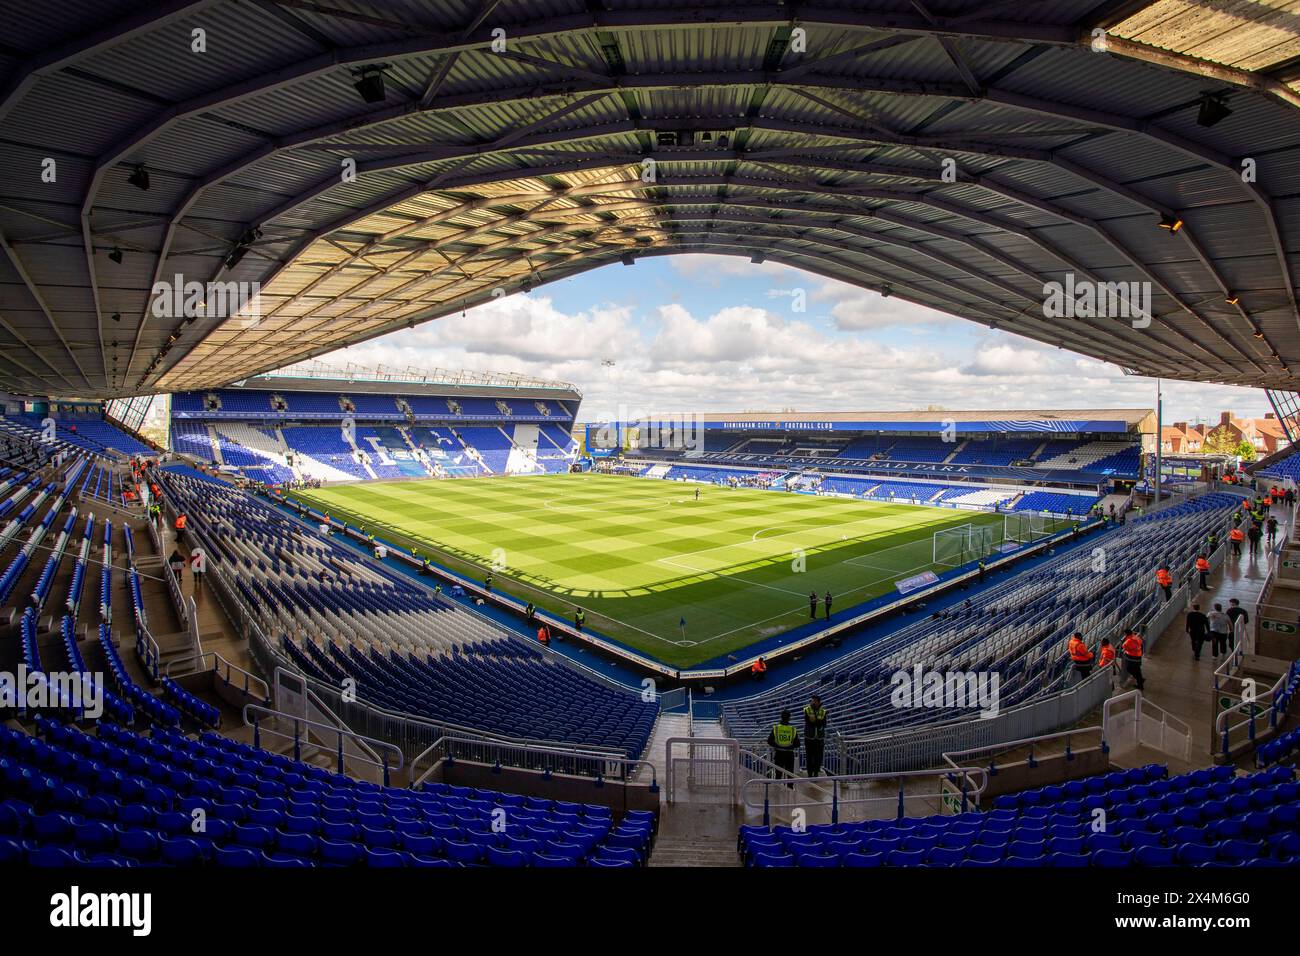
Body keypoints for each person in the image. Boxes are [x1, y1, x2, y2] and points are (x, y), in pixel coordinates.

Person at [767, 710, 799, 785]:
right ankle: (790, 792)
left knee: (778, 775)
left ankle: (777, 793)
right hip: (789, 755)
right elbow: (797, 744)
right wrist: (789, 747)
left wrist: (777, 745)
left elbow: (769, 741)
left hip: (779, 754)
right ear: (789, 718)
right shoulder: (792, 729)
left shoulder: (776, 728)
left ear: (781, 717)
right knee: (790, 775)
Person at [803, 695, 828, 778]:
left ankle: (816, 773)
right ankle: (810, 774)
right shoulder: (807, 710)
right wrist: (818, 722)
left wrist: (816, 722)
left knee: (818, 757)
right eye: (812, 701)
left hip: (819, 738)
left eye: (814, 701)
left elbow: (824, 724)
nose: (812, 702)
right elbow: (809, 723)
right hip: (809, 737)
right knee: (809, 756)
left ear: (818, 702)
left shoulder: (823, 711)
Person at [1120, 627, 1145, 691]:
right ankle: (1140, 681)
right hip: (1139, 656)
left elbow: (1124, 646)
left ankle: (1140, 682)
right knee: (1138, 670)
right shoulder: (1136, 637)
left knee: (1130, 669)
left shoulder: (1129, 641)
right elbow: (1141, 642)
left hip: (1133, 658)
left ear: (1126, 634)